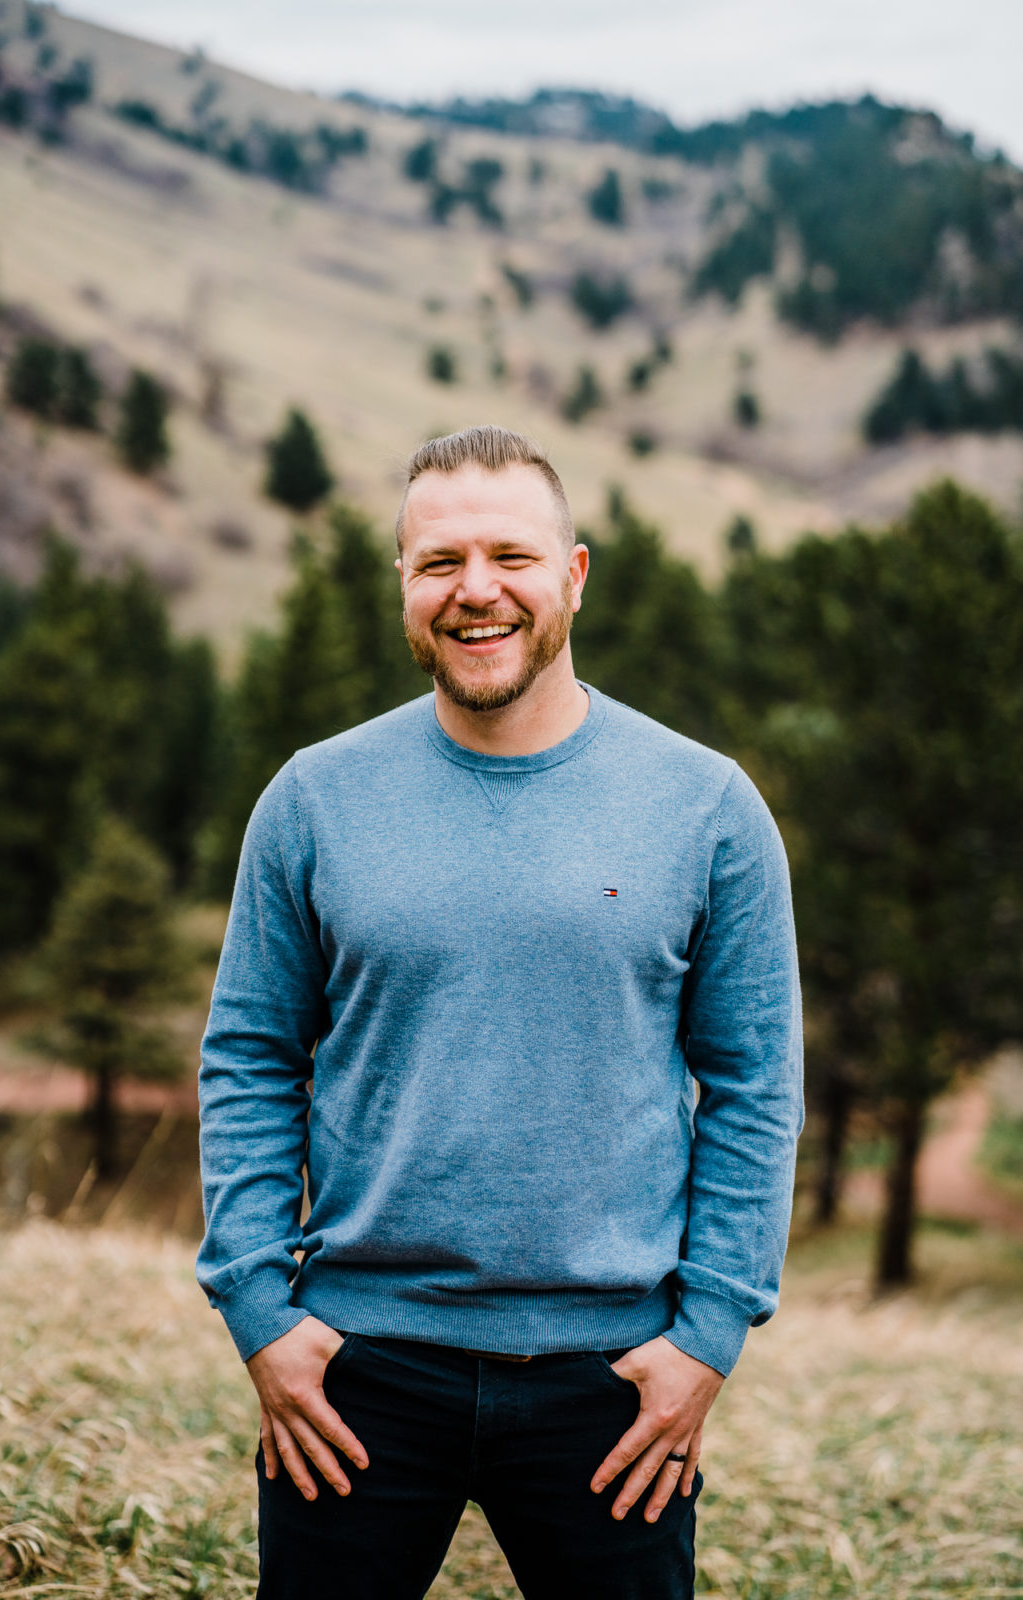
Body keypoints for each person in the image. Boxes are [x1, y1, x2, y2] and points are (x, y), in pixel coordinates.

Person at [197, 424, 803, 1599]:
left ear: (572, 574)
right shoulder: (313, 798)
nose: (476, 591)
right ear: (405, 587)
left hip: (614, 1377)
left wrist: (708, 1336)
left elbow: (755, 1080)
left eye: (510, 557)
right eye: (440, 562)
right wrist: (261, 1310)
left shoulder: (706, 806)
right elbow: (249, 1058)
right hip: (354, 1371)